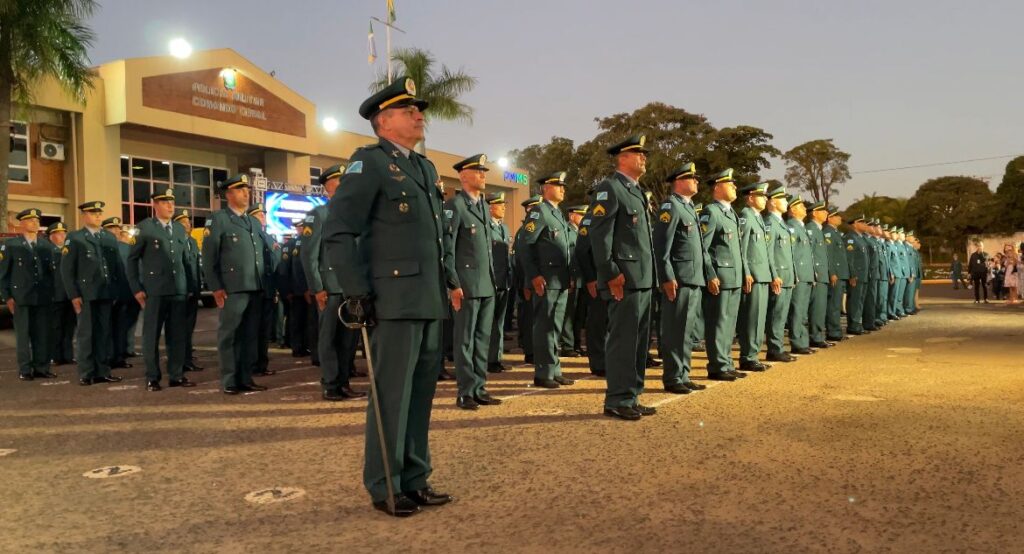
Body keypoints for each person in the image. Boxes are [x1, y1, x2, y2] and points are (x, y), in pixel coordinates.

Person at [322, 76, 453, 517]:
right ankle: (385, 485)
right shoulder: (369, 164)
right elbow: (338, 233)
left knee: (420, 395)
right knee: (391, 396)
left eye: (419, 109)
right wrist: (355, 291)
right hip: (393, 300)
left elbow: (434, 237)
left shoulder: (424, 168)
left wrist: (449, 280)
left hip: (428, 297)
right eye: (409, 110)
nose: (420, 115)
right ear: (384, 121)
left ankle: (415, 477)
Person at [588, 135, 657, 421]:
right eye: (637, 153)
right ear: (622, 158)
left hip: (642, 278)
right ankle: (617, 398)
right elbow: (599, 235)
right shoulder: (610, 188)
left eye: (644, 153)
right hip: (624, 279)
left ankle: (632, 394)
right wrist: (610, 272)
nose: (643, 157)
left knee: (638, 343)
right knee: (622, 340)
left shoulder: (637, 191)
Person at [302, 164, 366, 401]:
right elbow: (309, 255)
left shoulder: (353, 215)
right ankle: (330, 384)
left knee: (348, 339)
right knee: (329, 338)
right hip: (329, 288)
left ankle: (343, 382)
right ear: (329, 186)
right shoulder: (319, 214)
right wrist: (317, 287)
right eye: (339, 181)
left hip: (350, 289)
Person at [202, 173, 269, 395]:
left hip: (255, 286)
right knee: (230, 335)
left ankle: (246, 377)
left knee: (250, 335)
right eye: (241, 190)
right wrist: (216, 287)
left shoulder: (252, 221)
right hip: (233, 288)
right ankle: (230, 380)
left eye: (247, 190)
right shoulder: (218, 219)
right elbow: (209, 256)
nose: (246, 193)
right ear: (229, 194)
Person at [443, 154, 500, 408]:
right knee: (464, 339)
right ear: (463, 176)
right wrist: (453, 284)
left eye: (483, 171)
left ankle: (479, 386)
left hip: (486, 283)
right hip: (465, 285)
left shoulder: (483, 207)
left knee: (482, 339)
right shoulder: (455, 206)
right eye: (478, 171)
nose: (483, 175)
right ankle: (465, 390)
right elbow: (448, 249)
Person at [126, 188, 194, 391]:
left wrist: (189, 286)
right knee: (151, 336)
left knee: (177, 335)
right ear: (155, 204)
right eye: (165, 202)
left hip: (178, 290)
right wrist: (136, 288)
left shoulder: (180, 230)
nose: (170, 206)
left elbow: (185, 261)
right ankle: (152, 377)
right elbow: (132, 260)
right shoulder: (144, 228)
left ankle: (176, 375)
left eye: (172, 202)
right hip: (154, 291)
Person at [653, 162, 709, 394]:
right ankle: (673, 377)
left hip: (693, 278)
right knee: (676, 330)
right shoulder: (671, 206)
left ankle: (683, 373)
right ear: (679, 181)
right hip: (679, 279)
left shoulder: (688, 207)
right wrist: (667, 277)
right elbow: (661, 246)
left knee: (687, 331)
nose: (696, 181)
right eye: (692, 178)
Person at [520, 171, 576, 390]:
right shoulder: (539, 212)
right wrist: (533, 275)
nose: (563, 188)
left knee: (556, 326)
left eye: (563, 185)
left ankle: (555, 369)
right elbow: (525, 246)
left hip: (559, 279)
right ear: (545, 188)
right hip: (545, 280)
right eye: (558, 185)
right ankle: (543, 372)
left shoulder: (557, 213)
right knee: (545, 326)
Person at [61, 201, 124, 386]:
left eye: (99, 213)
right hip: (86, 293)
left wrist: (117, 290)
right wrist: (73, 295)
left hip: (105, 292)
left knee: (104, 333)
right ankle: (87, 372)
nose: (97, 216)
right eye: (93, 213)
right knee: (86, 334)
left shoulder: (108, 237)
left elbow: (116, 266)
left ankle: (103, 370)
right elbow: (67, 270)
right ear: (84, 215)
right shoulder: (75, 238)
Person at [699, 168, 745, 382]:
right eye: (730, 183)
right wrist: (710, 274)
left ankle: (726, 362)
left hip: (734, 277)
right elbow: (703, 247)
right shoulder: (711, 212)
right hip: (721, 277)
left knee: (729, 323)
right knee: (718, 322)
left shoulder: (731, 213)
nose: (735, 186)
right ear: (717, 187)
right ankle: (717, 365)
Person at [0, 208, 56, 381]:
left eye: (37, 220)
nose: (35, 223)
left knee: (42, 334)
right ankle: (25, 369)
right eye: (31, 220)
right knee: (23, 335)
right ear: (21, 223)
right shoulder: (11, 245)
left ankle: (41, 367)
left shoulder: (46, 245)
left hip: (42, 297)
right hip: (20, 297)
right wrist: (7, 297)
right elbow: (3, 274)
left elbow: (51, 273)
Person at [736, 182, 773, 372]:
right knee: (751, 318)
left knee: (759, 319)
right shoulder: (745, 216)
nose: (766, 199)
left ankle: (753, 354)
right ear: (750, 198)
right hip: (754, 276)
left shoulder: (757, 217)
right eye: (761, 196)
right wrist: (746, 272)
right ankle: (748, 356)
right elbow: (741, 249)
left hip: (762, 275)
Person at [246, 203, 281, 377]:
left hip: (268, 288)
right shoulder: (251, 236)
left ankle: (262, 363)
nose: (263, 217)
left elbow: (276, 260)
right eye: (259, 215)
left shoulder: (268, 236)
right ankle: (253, 364)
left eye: (263, 215)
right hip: (256, 288)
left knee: (265, 330)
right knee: (254, 330)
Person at [764, 185, 796, 361]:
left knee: (782, 314)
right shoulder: (770, 223)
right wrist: (773, 274)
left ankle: (778, 346)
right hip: (779, 277)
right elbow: (768, 253)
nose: (786, 203)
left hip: (787, 276)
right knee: (776, 314)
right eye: (783, 200)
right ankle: (774, 349)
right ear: (774, 202)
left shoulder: (781, 223)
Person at [104, 217, 137, 369]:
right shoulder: (102, 247)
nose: (116, 231)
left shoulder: (124, 246)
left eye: (117, 228)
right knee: (107, 328)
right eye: (112, 228)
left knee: (121, 327)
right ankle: (108, 357)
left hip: (124, 293)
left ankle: (119, 356)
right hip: (108, 293)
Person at [173, 209, 204, 372]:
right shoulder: (175, 241)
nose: (187, 224)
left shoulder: (192, 241)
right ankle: (180, 360)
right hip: (181, 291)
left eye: (188, 222)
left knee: (189, 328)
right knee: (180, 328)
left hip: (193, 290)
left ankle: (187, 358)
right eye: (183, 222)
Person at [486, 192, 513, 373]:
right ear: (490, 207)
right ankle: (487, 359)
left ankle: (496, 358)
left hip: (504, 280)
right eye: (500, 204)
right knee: (488, 322)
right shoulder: (486, 227)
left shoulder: (504, 228)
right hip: (491, 281)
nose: (504, 207)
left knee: (499, 322)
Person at [785, 195, 815, 355]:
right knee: (797, 310)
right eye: (801, 206)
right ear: (793, 210)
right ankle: (797, 341)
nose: (804, 209)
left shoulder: (801, 227)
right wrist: (794, 273)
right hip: (799, 274)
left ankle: (803, 340)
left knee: (803, 310)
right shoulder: (791, 227)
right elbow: (791, 253)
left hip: (806, 274)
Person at [45, 221, 76, 366]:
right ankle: (55, 356)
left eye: (64, 233)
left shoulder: (67, 250)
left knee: (69, 326)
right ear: (51, 236)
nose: (62, 236)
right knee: (55, 327)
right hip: (54, 295)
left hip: (69, 295)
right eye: (58, 233)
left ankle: (68, 355)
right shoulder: (48, 251)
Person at [559, 205, 587, 357]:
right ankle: (567, 345)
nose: (582, 218)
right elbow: (566, 256)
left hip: (582, 279)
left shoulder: (581, 232)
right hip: (572, 278)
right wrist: (570, 277)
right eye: (579, 215)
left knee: (579, 314)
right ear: (571, 216)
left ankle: (576, 344)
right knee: (569, 313)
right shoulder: (566, 231)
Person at [804, 202, 832, 348]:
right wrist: (813, 272)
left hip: (821, 274)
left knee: (820, 307)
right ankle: (815, 336)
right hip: (816, 274)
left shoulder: (818, 230)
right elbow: (809, 253)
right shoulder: (810, 229)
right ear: (814, 213)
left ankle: (819, 335)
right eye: (823, 211)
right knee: (816, 308)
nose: (826, 214)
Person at [823, 207, 850, 341]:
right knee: (833, 304)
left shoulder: (836, 232)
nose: (840, 219)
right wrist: (832, 272)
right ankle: (833, 332)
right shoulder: (828, 233)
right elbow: (829, 255)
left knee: (836, 303)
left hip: (841, 273)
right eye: (837, 216)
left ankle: (836, 330)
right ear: (830, 218)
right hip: (836, 274)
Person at [844, 215, 870, 334]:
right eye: (861, 222)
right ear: (854, 224)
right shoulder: (850, 238)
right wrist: (852, 274)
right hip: (856, 276)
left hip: (863, 274)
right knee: (854, 301)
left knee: (860, 301)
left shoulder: (861, 238)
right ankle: (853, 326)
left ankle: (857, 324)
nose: (864, 224)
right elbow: (849, 258)